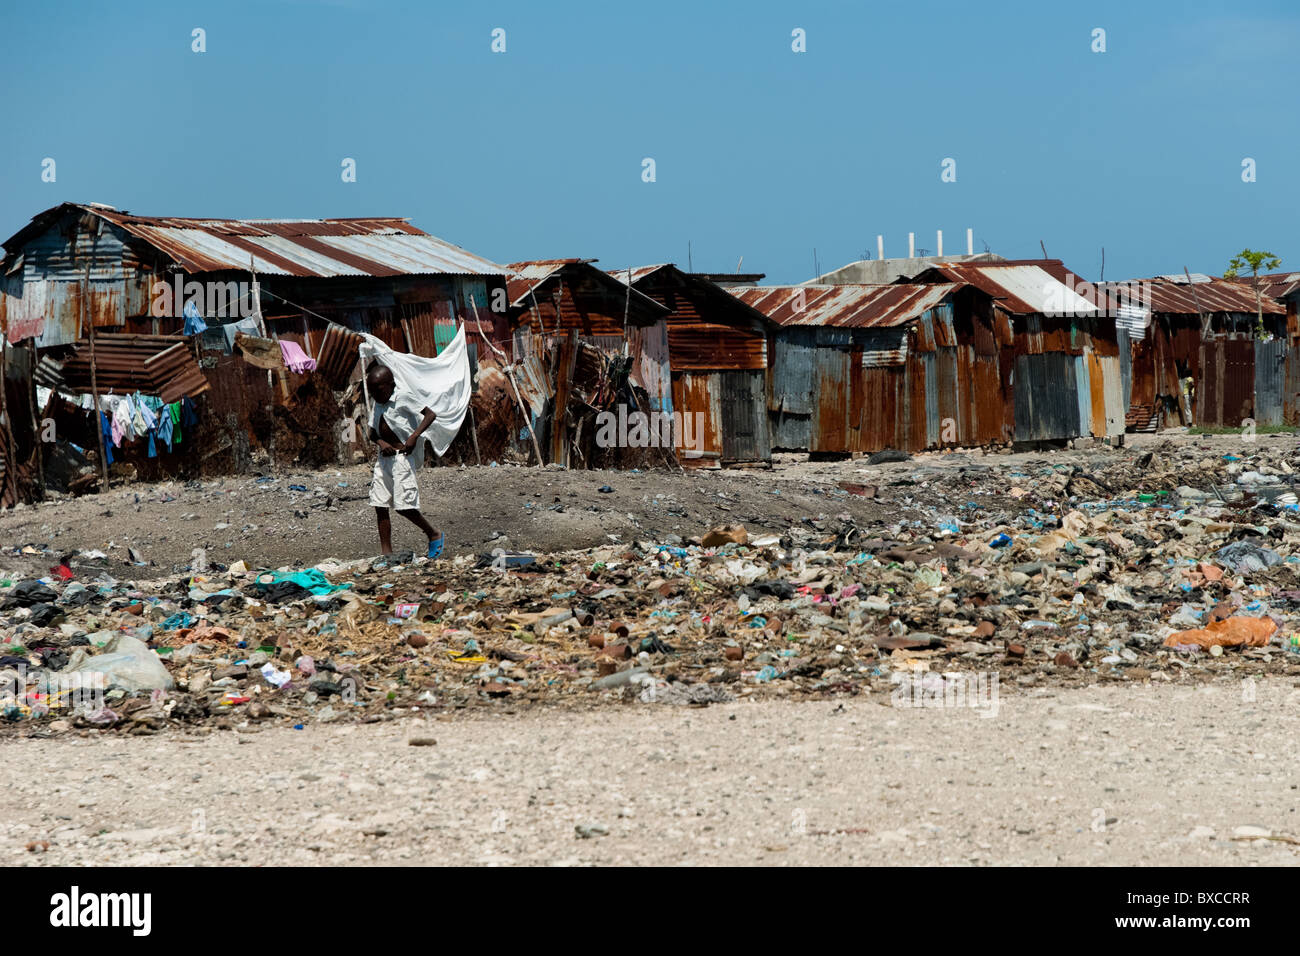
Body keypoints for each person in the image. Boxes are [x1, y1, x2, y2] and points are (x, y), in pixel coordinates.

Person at [365, 361, 444, 558]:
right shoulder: (377, 403)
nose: (375, 394)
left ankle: (433, 534)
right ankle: (386, 553)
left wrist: (414, 436)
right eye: (372, 391)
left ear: (390, 385)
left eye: (378, 390)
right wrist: (381, 443)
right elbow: (372, 433)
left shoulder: (403, 397)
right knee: (379, 504)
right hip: (384, 460)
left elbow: (430, 414)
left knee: (404, 506)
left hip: (402, 459)